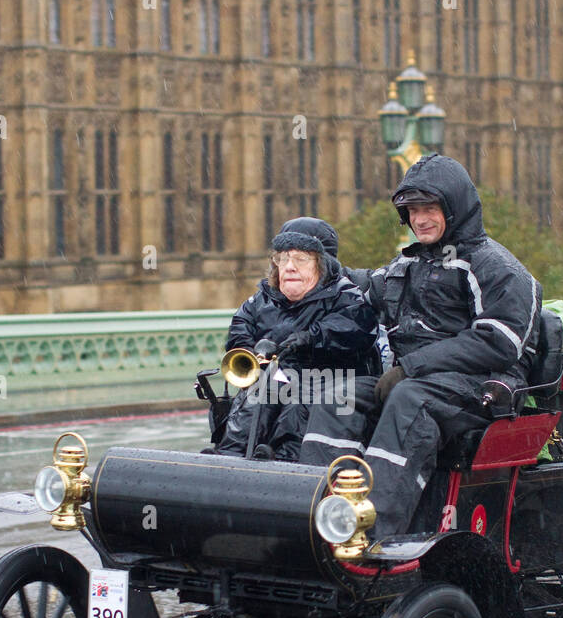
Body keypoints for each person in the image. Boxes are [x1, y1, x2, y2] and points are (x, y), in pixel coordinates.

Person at [299, 153, 542, 539]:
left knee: (409, 399)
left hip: (480, 390)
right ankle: (313, 514)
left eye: (430, 208)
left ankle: (372, 533)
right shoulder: (409, 265)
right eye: (412, 210)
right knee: (340, 394)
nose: (420, 219)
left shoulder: (497, 267)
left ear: (455, 208)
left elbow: (499, 342)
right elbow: (363, 284)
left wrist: (411, 367)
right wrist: (313, 268)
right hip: (417, 381)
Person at [216, 225, 379, 460]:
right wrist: (250, 349)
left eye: (301, 259)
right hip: (278, 378)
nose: (290, 267)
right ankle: (230, 454)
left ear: (322, 265)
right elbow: (240, 328)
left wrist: (311, 338)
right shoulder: (260, 300)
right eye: (282, 259)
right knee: (258, 392)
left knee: (297, 397)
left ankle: (286, 457)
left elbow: (355, 329)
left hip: (331, 380)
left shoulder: (347, 296)